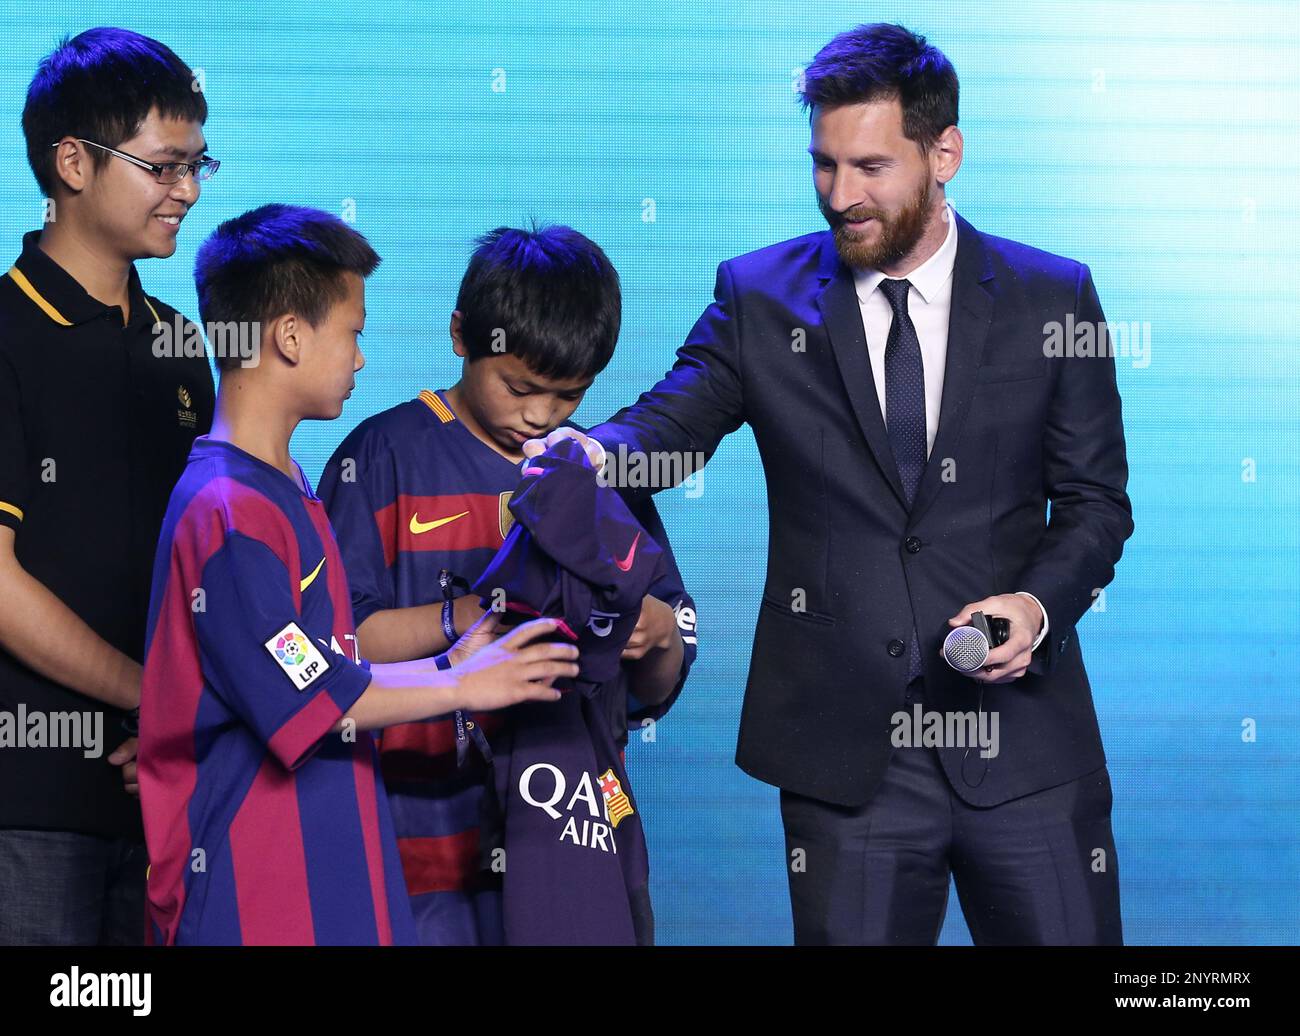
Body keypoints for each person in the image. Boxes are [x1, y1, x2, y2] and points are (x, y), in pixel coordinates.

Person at [528, 23, 1134, 945]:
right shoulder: (757, 295)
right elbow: (671, 428)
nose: (840, 196)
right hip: (846, 761)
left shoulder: (1055, 298)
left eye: (869, 167)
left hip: (1025, 751)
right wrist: (595, 455)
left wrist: (1039, 607)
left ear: (945, 154)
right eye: (823, 165)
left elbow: (1096, 504)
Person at [138, 204, 573, 944]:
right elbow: (307, 698)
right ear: (289, 337)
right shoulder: (227, 511)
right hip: (253, 896)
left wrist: (447, 660)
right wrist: (462, 684)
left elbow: (325, 669)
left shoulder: (285, 488)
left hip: (333, 875)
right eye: (355, 332)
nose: (362, 358)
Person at [318, 224, 696, 944]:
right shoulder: (381, 456)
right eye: (520, 388)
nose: (540, 416)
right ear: (462, 335)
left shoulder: (597, 469)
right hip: (415, 849)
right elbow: (340, 645)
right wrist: (477, 617)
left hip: (572, 843)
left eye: (567, 395)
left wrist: (652, 632)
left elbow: (659, 679)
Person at [0, 28, 216, 945]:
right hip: (32, 798)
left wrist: (185, 721)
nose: (190, 192)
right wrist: (148, 693)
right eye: (164, 166)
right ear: (73, 163)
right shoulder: (8, 329)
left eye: (201, 165)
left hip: (168, 789)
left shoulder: (180, 340)